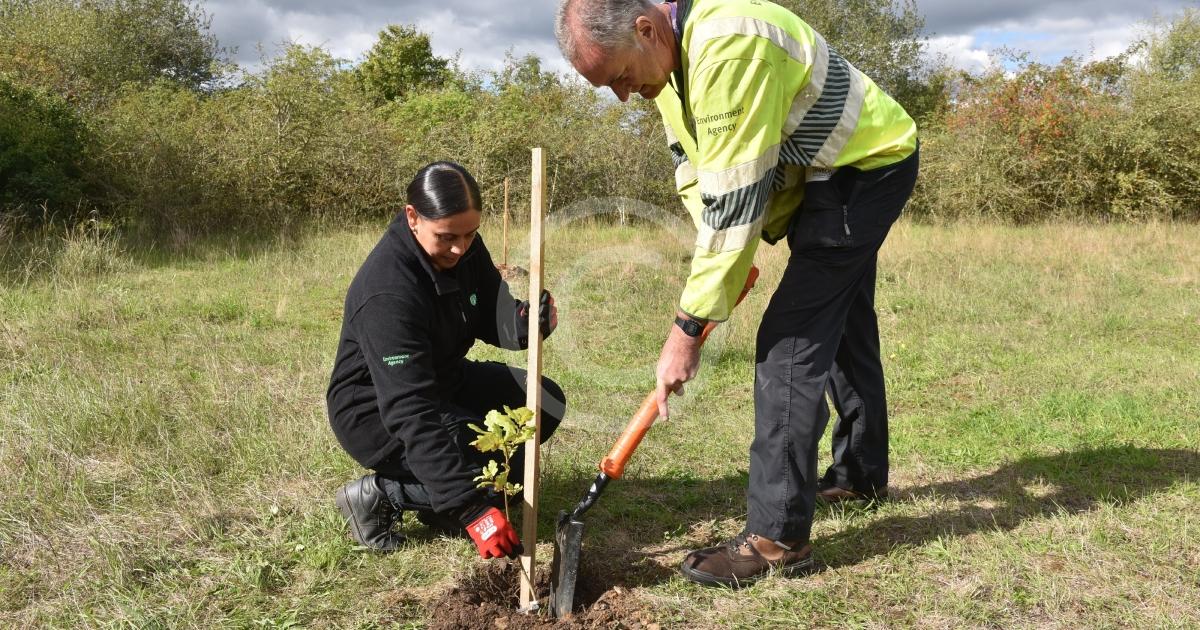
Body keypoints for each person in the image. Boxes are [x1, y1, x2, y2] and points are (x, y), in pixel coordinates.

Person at [555, 0, 918, 586]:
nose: (623, 95)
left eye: (619, 76)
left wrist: (688, 327)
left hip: (864, 167)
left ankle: (776, 540)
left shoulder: (727, 46)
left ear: (647, 29)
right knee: (842, 319)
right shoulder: (669, 68)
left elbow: (739, 202)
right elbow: (694, 171)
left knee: (790, 341)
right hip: (819, 172)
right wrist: (722, 260)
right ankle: (860, 474)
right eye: (609, 86)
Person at [326, 161, 564, 559]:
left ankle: (445, 499)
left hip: (443, 380)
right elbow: (411, 410)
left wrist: (526, 322)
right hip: (377, 413)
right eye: (447, 237)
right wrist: (470, 508)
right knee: (473, 475)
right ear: (412, 217)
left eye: (470, 234)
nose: (460, 248)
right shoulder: (388, 293)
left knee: (543, 401)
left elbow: (491, 312)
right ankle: (382, 496)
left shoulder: (463, 244)